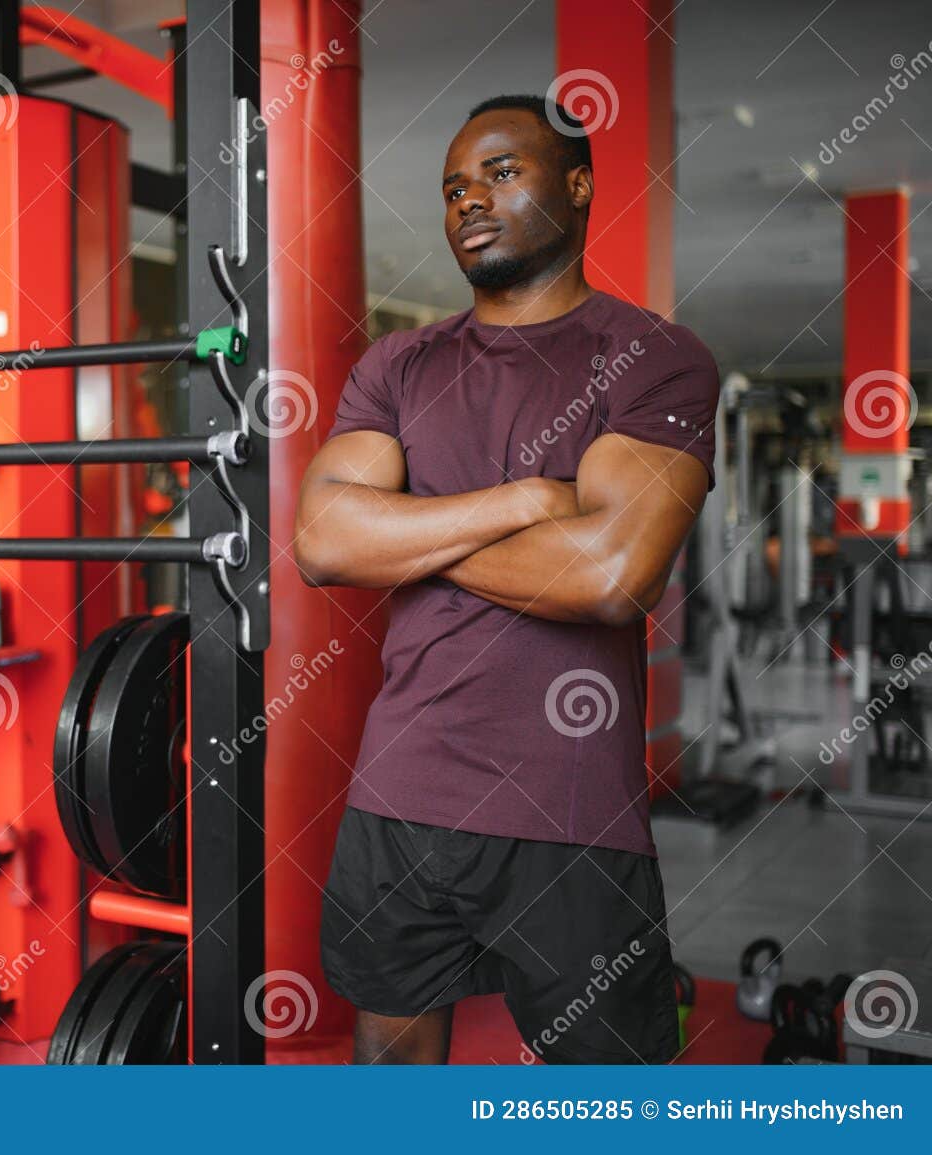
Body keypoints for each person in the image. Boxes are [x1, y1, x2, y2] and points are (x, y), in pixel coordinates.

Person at [294, 95, 719, 1064]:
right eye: (453, 187)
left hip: (567, 807)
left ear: (577, 186)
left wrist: (399, 530)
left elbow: (613, 574)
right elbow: (320, 541)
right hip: (398, 790)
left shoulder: (652, 359)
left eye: (499, 172)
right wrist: (528, 499)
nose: (469, 201)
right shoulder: (399, 365)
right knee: (390, 1081)